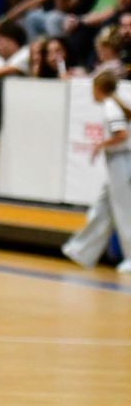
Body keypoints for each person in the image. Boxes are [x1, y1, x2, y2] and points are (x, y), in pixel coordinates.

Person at [62, 70, 131, 273]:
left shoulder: (110, 107)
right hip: (118, 162)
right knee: (103, 208)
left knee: (124, 211)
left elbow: (121, 134)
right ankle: (81, 250)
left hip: (121, 162)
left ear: (99, 88)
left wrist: (100, 145)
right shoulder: (116, 104)